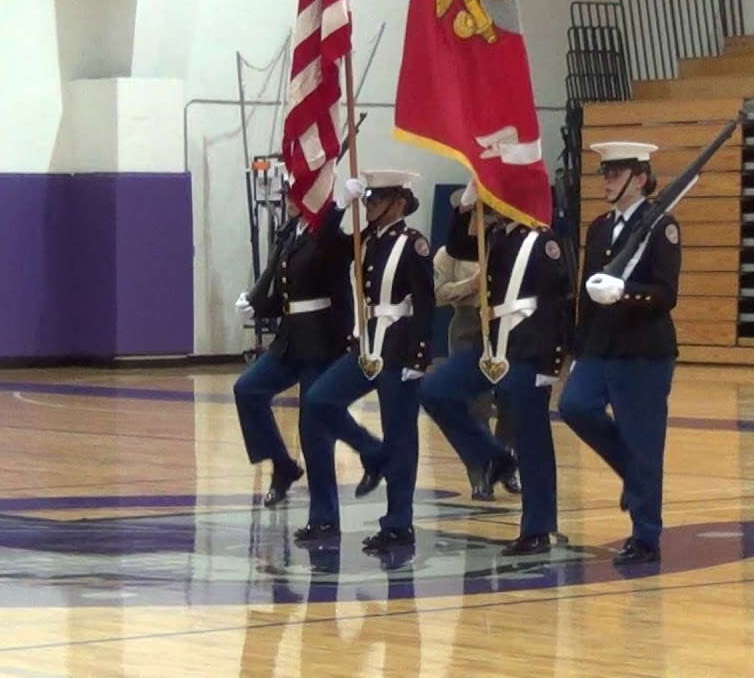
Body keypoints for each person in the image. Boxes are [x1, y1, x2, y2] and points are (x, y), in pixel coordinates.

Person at [420, 179, 571, 555]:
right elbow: (458, 246)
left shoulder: (542, 242)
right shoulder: (497, 237)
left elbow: (559, 306)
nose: (485, 210)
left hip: (529, 350)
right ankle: (493, 458)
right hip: (492, 346)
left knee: (532, 436)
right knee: (435, 391)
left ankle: (537, 527)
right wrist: (463, 208)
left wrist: (553, 362)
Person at [557, 141, 681, 566]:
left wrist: (626, 292)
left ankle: (646, 537)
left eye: (614, 173)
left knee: (645, 442)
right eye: (604, 173)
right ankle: (632, 474)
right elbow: (586, 296)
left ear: (639, 178)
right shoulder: (598, 227)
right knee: (574, 406)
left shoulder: (662, 226)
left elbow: (667, 295)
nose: (606, 180)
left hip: (643, 352)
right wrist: (574, 349)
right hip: (599, 347)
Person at [300, 169, 436, 552]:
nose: (371, 204)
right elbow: (325, 242)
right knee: (319, 400)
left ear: (399, 202)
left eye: (377, 199)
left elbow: (426, 304)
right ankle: (373, 454)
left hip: (398, 346)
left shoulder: (414, 244)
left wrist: (420, 355)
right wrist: (341, 206)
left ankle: (398, 524)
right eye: (368, 198)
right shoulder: (365, 241)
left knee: (402, 436)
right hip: (365, 345)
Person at [232, 198, 383, 510]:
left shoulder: (328, 233)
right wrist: (257, 305)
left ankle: (325, 514)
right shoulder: (290, 233)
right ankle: (283, 465)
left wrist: (342, 206)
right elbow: (290, 295)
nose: (290, 199)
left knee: (314, 427)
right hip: (289, 340)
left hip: (322, 339)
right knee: (247, 389)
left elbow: (338, 256)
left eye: (299, 192)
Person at [433, 188, 521, 499]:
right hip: (468, 322)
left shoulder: (504, 244)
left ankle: (506, 460)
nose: (478, 220)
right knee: (475, 404)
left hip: (499, 323)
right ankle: (478, 473)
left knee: (511, 400)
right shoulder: (450, 253)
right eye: (473, 213)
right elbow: (438, 294)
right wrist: (469, 285)